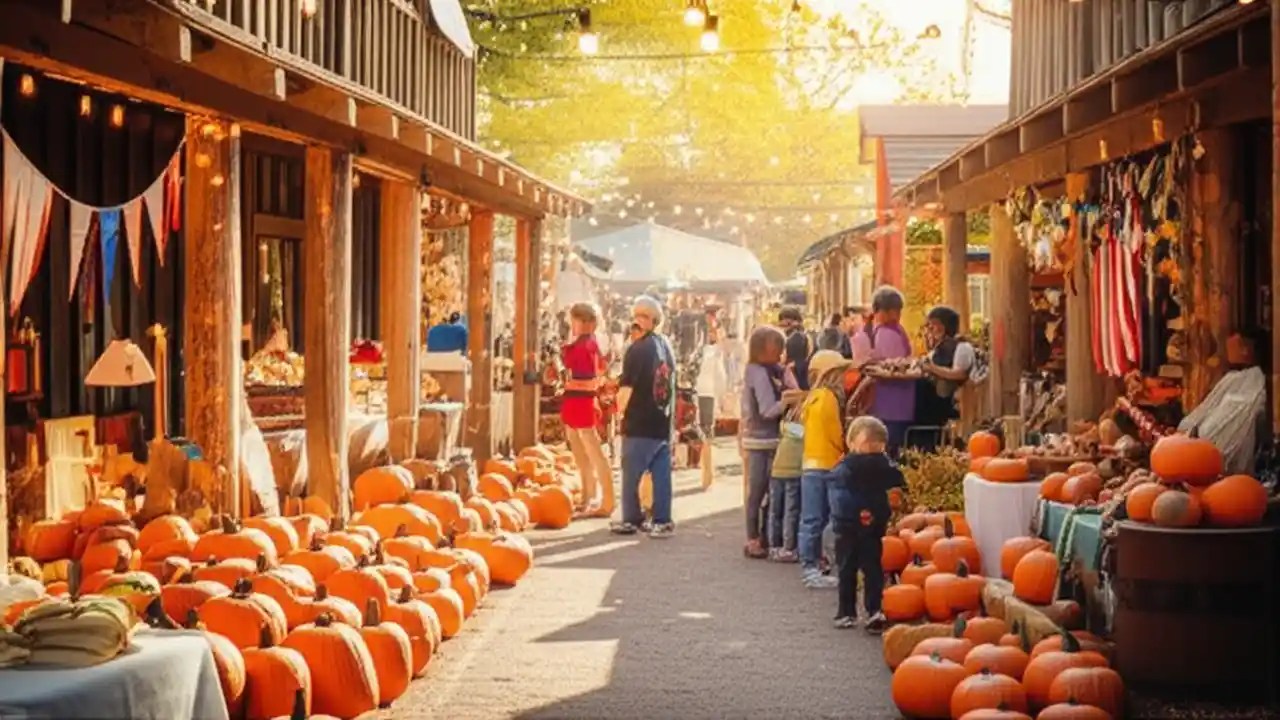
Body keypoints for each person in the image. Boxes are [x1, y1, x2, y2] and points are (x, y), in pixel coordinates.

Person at [829, 416, 905, 634]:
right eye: (867, 445)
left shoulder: (882, 466)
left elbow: (897, 480)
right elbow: (839, 495)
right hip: (850, 526)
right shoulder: (845, 468)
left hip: (870, 526)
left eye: (877, 447)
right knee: (848, 569)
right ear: (852, 444)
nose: (872, 451)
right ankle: (847, 611)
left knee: (872, 569)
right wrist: (858, 514)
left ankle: (873, 610)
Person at [612, 296, 678, 538]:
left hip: (640, 421)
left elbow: (627, 389)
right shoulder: (666, 346)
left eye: (643, 317)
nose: (637, 321)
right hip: (662, 420)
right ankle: (662, 520)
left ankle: (631, 518)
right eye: (636, 316)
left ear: (654, 320)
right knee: (661, 475)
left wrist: (618, 411)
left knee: (631, 474)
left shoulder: (636, 350)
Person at [739, 326, 802, 558]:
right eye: (777, 346)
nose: (781, 351)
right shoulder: (756, 372)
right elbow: (766, 410)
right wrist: (786, 401)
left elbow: (796, 393)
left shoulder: (777, 369)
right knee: (757, 491)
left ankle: (767, 537)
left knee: (772, 493)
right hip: (759, 440)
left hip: (778, 439)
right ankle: (753, 538)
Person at [798, 349, 851, 588]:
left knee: (810, 518)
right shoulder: (828, 398)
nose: (843, 378)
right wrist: (847, 449)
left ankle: (811, 566)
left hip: (810, 463)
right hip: (828, 463)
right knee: (830, 517)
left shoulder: (812, 397)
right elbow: (834, 433)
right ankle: (817, 564)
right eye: (839, 373)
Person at [561, 303, 613, 519]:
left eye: (575, 321)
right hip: (575, 402)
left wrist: (566, 380)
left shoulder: (587, 346)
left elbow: (589, 380)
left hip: (582, 402)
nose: (572, 325)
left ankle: (607, 499)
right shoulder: (582, 344)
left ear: (585, 323)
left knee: (593, 452)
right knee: (581, 454)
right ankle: (588, 494)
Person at [851, 286, 916, 456]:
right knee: (893, 449)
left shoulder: (867, 332)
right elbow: (898, 366)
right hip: (895, 404)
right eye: (897, 311)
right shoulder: (888, 333)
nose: (899, 316)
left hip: (882, 404)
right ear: (887, 311)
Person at [916, 305, 976, 450]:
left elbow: (959, 374)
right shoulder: (937, 349)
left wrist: (932, 369)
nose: (931, 330)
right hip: (934, 396)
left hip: (950, 400)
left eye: (934, 326)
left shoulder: (962, 347)